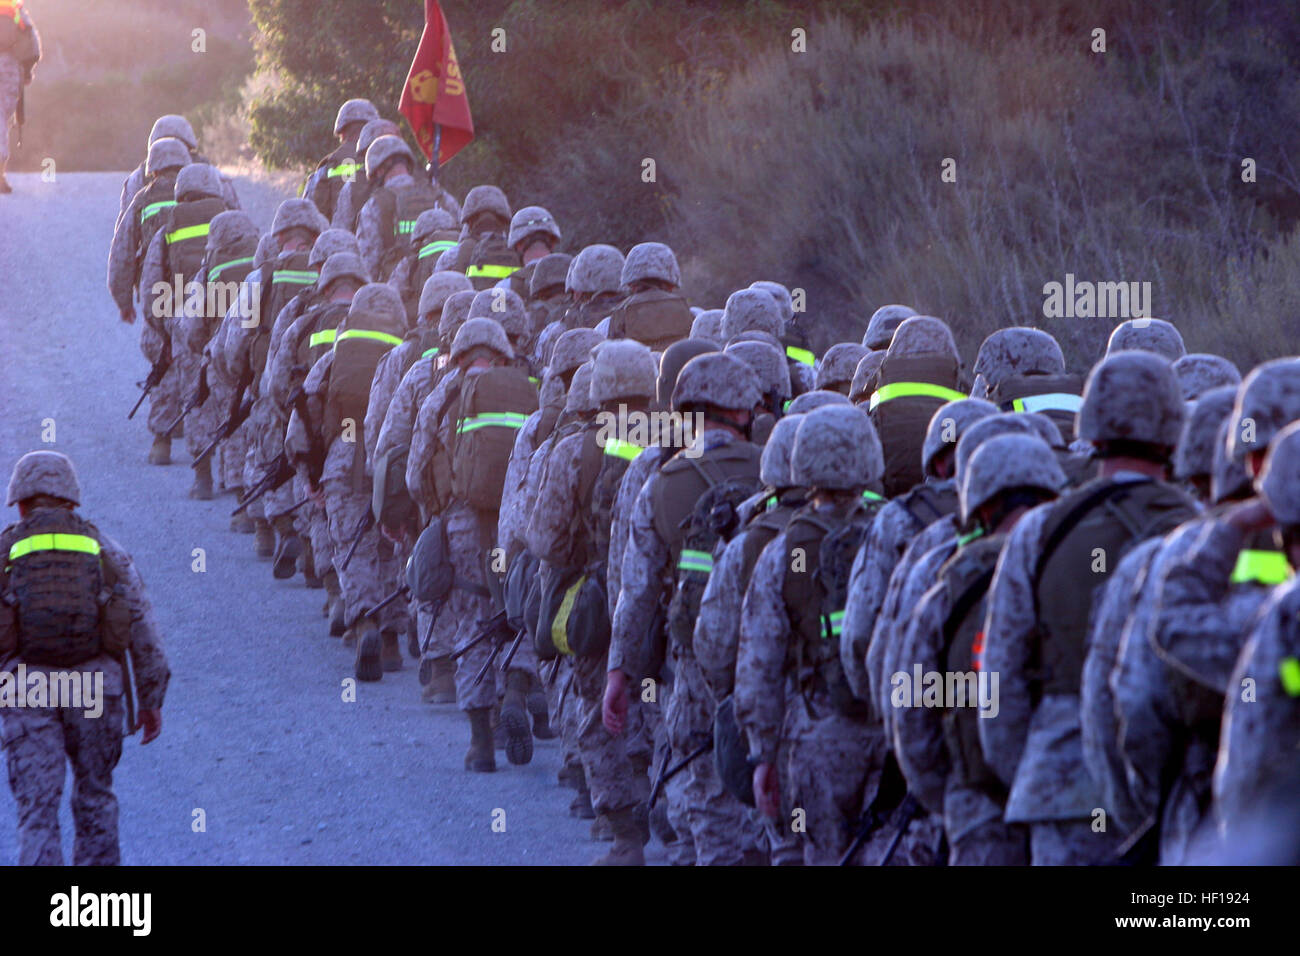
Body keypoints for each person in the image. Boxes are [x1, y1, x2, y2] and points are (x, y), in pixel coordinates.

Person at [0, 451, 170, 865]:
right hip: (94, 686)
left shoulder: (5, 550)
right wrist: (150, 699)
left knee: (37, 812)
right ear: (71, 500)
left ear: (21, 503)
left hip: (28, 687)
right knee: (95, 795)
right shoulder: (102, 548)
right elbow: (142, 626)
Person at [0, 0, 38, 194]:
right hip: (9, 68)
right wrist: (28, 71)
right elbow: (32, 44)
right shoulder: (15, 9)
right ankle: (0, 176)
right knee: (2, 121)